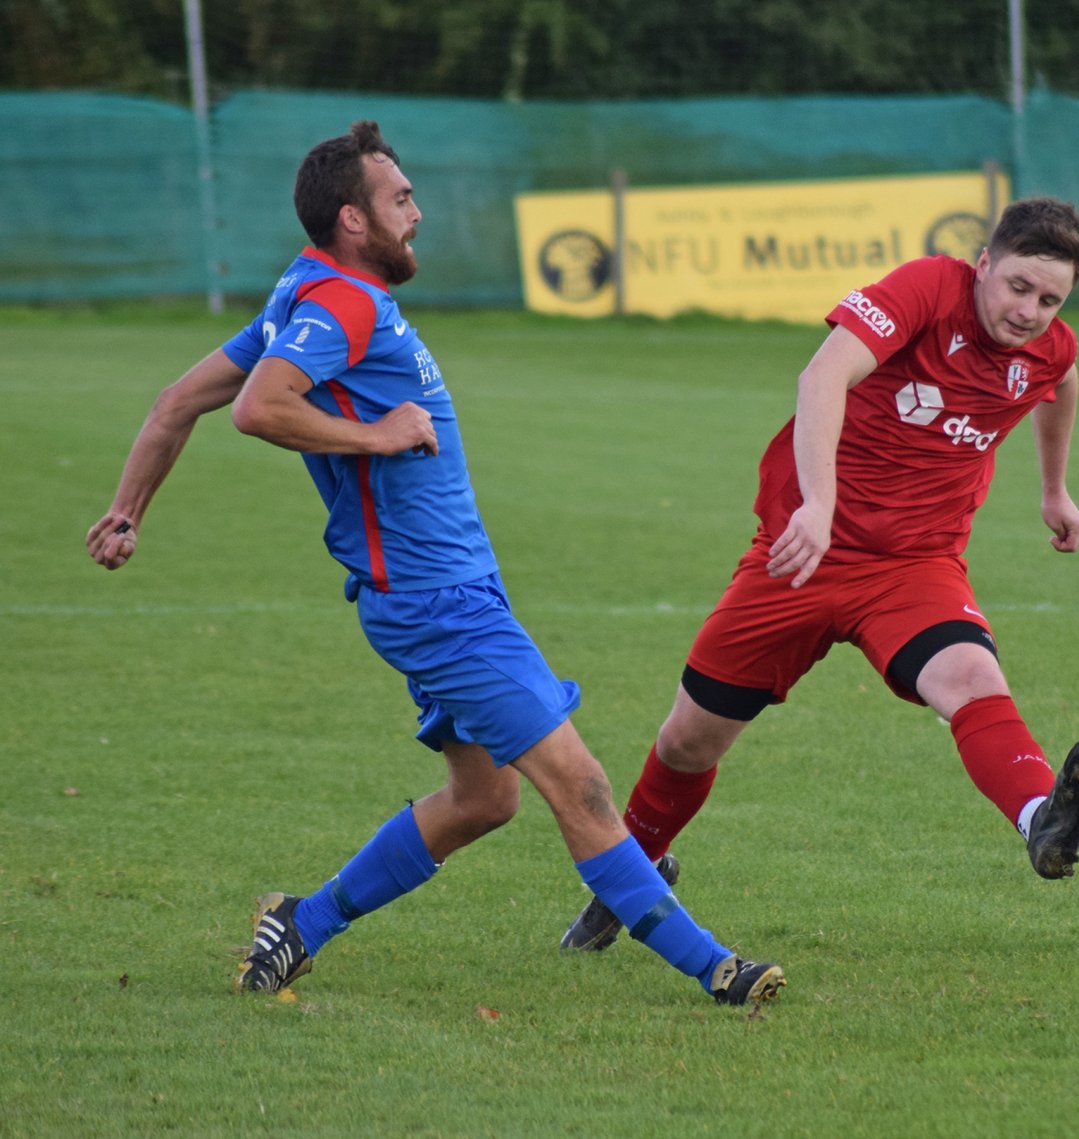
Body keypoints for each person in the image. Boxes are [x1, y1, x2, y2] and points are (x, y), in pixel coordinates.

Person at [85, 120, 783, 1007]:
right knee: (583, 784)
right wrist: (374, 433)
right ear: (352, 219)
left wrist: (125, 513)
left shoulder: (308, 289)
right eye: (401, 199)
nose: (419, 212)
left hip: (443, 593)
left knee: (484, 800)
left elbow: (173, 401)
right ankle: (718, 970)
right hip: (438, 605)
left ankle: (302, 921)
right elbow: (256, 408)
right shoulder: (340, 303)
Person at [561, 197, 1079, 952]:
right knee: (689, 741)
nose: (1030, 311)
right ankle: (631, 876)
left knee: (972, 681)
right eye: (1018, 286)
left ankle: (1041, 816)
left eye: (1050, 299)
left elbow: (1063, 377)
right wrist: (819, 503)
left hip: (916, 566)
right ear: (984, 264)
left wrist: (1054, 488)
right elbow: (824, 375)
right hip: (802, 554)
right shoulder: (925, 290)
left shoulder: (1048, 347)